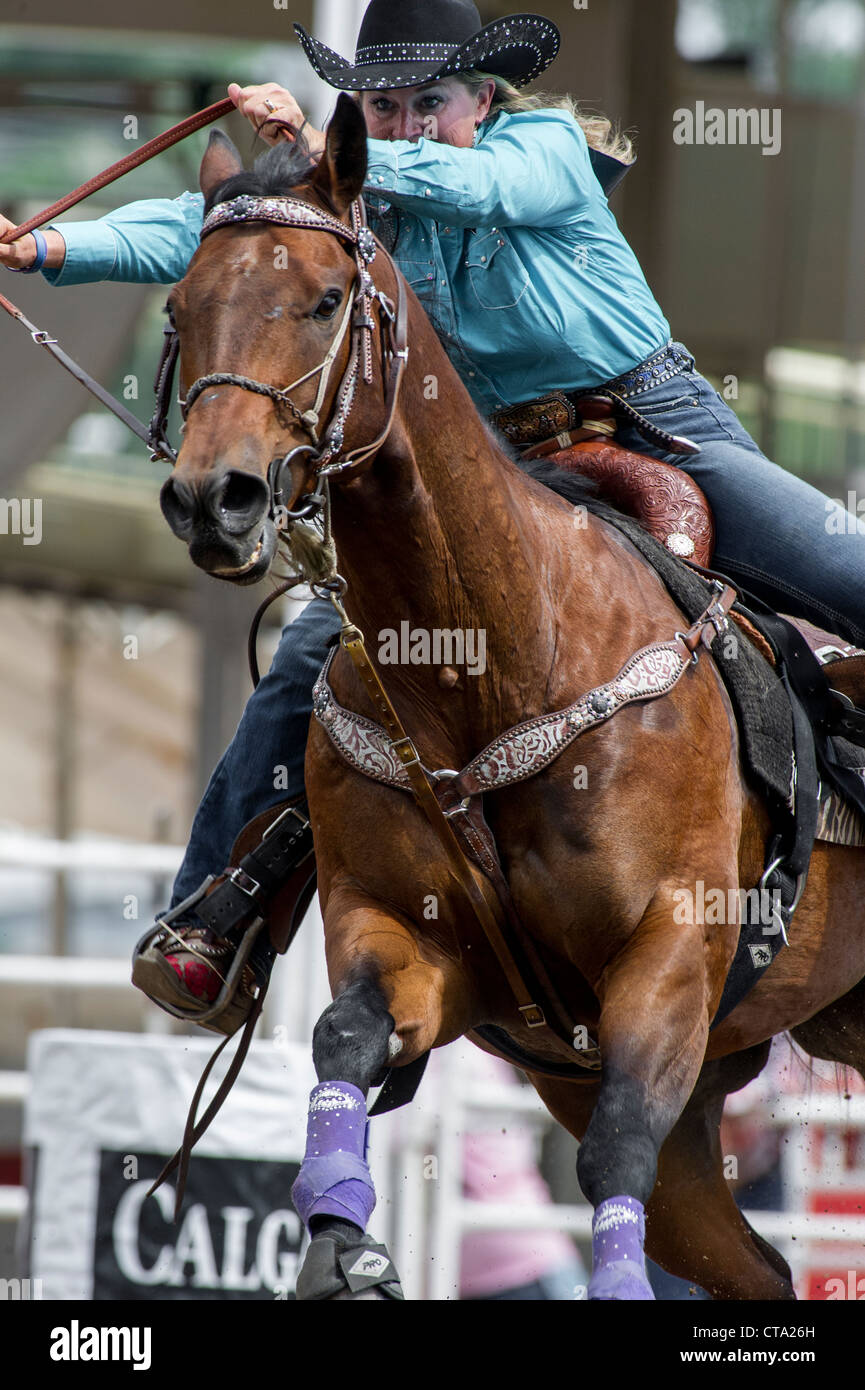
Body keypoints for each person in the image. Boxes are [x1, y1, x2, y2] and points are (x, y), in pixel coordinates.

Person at [3, 0, 864, 1026]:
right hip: (494, 473)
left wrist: (338, 147)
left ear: (482, 101)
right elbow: (208, 232)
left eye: (427, 103)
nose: (406, 123)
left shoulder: (539, 150)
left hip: (655, 428)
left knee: (849, 577)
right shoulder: (352, 207)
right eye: (384, 104)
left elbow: (483, 186)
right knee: (306, 667)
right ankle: (213, 916)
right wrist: (46, 246)